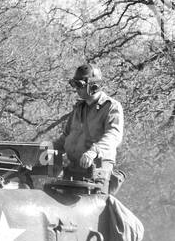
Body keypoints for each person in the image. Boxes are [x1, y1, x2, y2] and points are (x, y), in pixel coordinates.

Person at [52, 64, 123, 194]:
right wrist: (49, 148)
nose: (76, 89)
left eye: (79, 85)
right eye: (75, 85)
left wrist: (93, 151)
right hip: (73, 170)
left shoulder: (111, 107)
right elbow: (66, 136)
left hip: (96, 173)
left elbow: (113, 135)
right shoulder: (79, 108)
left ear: (93, 86)